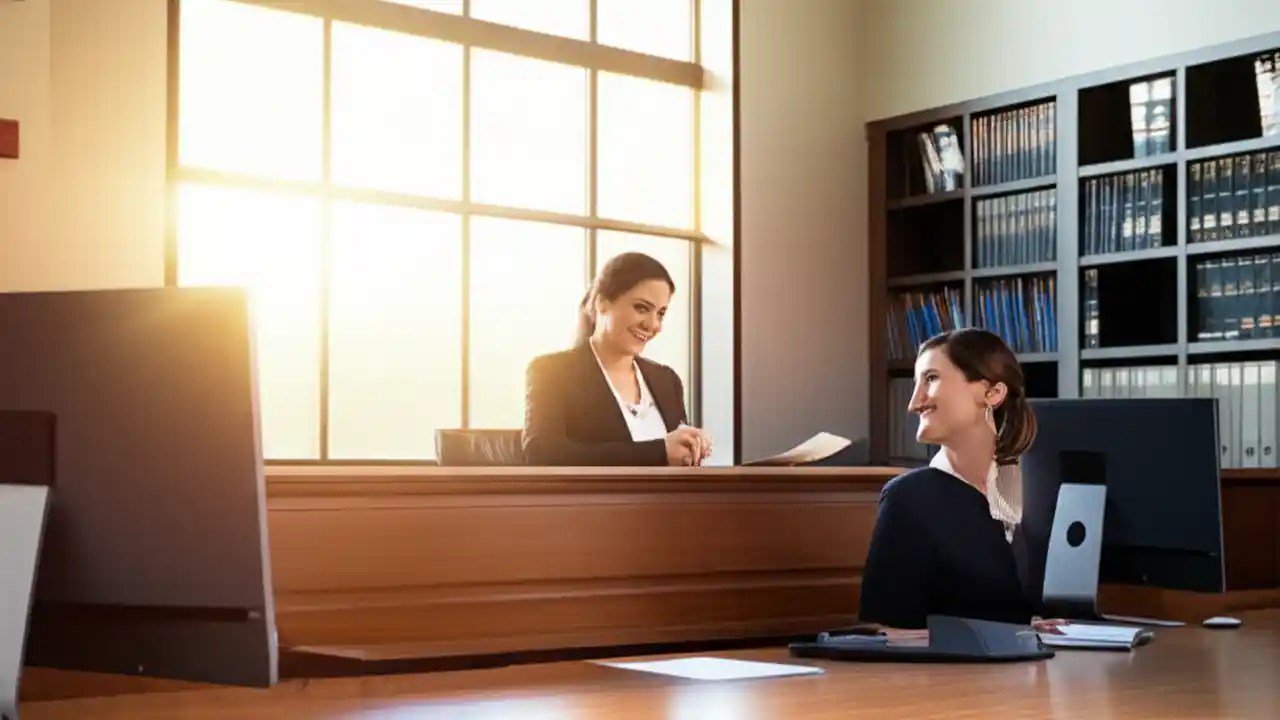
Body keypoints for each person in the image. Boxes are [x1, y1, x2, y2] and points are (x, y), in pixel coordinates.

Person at [857, 328, 1063, 633]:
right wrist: (1004, 634)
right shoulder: (910, 498)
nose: (914, 403)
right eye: (917, 383)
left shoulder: (1033, 493)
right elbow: (884, 631)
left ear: (992, 393)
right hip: (947, 679)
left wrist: (1030, 627)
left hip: (1027, 673)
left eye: (931, 379)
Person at [522, 252, 712, 466]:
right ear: (602, 304)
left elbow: (677, 462)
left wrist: (691, 448)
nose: (653, 325)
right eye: (642, 308)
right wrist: (659, 451)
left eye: (660, 313)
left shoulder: (667, 380)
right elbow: (542, 453)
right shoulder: (551, 372)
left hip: (670, 500)